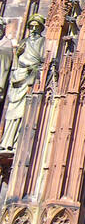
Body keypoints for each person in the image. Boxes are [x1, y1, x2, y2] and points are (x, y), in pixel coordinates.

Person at [0, 15, 46, 152]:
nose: (33, 29)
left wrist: (34, 69)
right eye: (31, 26)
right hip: (17, 79)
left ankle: (16, 143)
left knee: (23, 112)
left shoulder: (43, 42)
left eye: (36, 26)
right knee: (11, 112)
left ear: (41, 28)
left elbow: (44, 60)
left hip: (30, 79)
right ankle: (7, 141)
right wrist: (17, 55)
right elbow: (14, 64)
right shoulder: (23, 42)